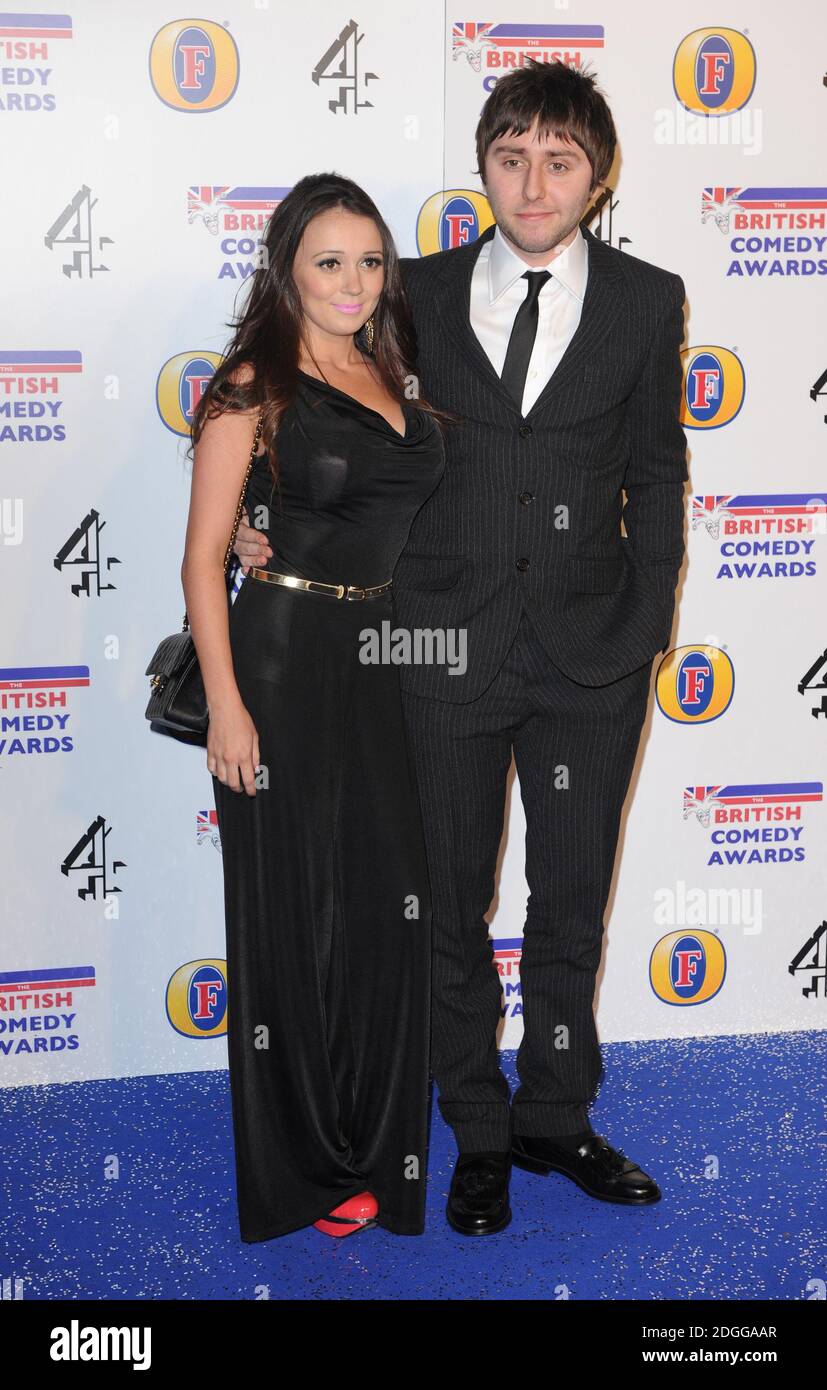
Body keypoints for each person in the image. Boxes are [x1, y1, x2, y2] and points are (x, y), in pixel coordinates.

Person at [233, 59, 688, 1235]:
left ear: (596, 175)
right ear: (481, 163)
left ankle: (553, 1112)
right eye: (508, 156)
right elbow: (318, 397)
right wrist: (262, 515)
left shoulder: (646, 299)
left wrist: (643, 625)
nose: (531, 182)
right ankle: (474, 1129)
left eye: (558, 159)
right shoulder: (411, 291)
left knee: (569, 900)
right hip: (434, 650)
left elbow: (656, 474)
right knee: (442, 900)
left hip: (591, 660)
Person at [180, 173, 447, 1240]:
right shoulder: (257, 382)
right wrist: (229, 712)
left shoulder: (390, 369)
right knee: (292, 913)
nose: (352, 280)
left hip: (377, 653)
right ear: (288, 267)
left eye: (370, 260)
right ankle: (304, 1166)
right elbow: (204, 561)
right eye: (328, 260)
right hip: (281, 657)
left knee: (388, 909)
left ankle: (376, 1140)